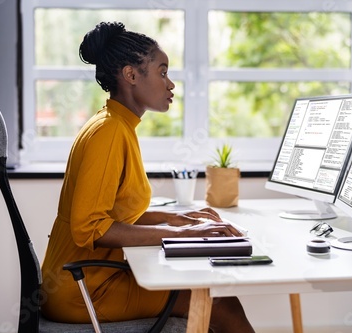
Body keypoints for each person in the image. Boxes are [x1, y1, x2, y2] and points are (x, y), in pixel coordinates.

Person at [40, 22, 254, 332]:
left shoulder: (116, 124)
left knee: (212, 294)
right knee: (222, 304)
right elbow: (90, 228)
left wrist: (175, 219)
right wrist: (181, 235)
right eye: (162, 72)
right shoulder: (109, 132)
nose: (171, 84)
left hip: (86, 278)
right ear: (131, 75)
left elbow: (113, 214)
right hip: (84, 290)